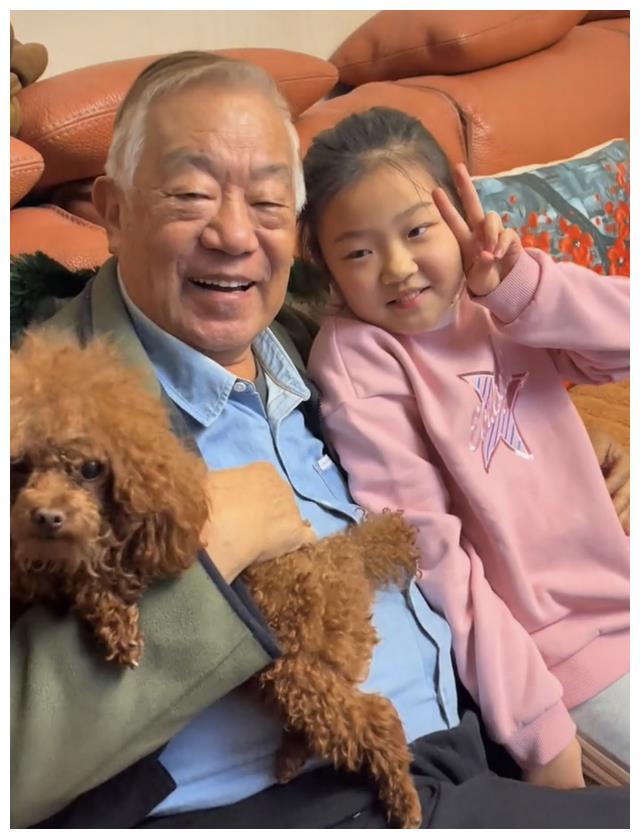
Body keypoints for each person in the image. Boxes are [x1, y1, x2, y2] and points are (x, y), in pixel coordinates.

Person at [10, 54, 629, 830]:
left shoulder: (319, 331)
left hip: (465, 758)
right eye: (191, 194)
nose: (235, 234)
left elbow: (472, 424)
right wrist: (210, 562)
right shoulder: (37, 408)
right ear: (113, 210)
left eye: (268, 201)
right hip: (292, 799)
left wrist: (573, 448)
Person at [302, 107, 630, 788]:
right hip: (567, 661)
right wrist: (537, 728)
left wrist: (518, 287)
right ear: (323, 263)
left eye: (418, 230)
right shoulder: (360, 360)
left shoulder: (503, 297)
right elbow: (430, 557)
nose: (397, 268)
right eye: (358, 252)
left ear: (460, 212)